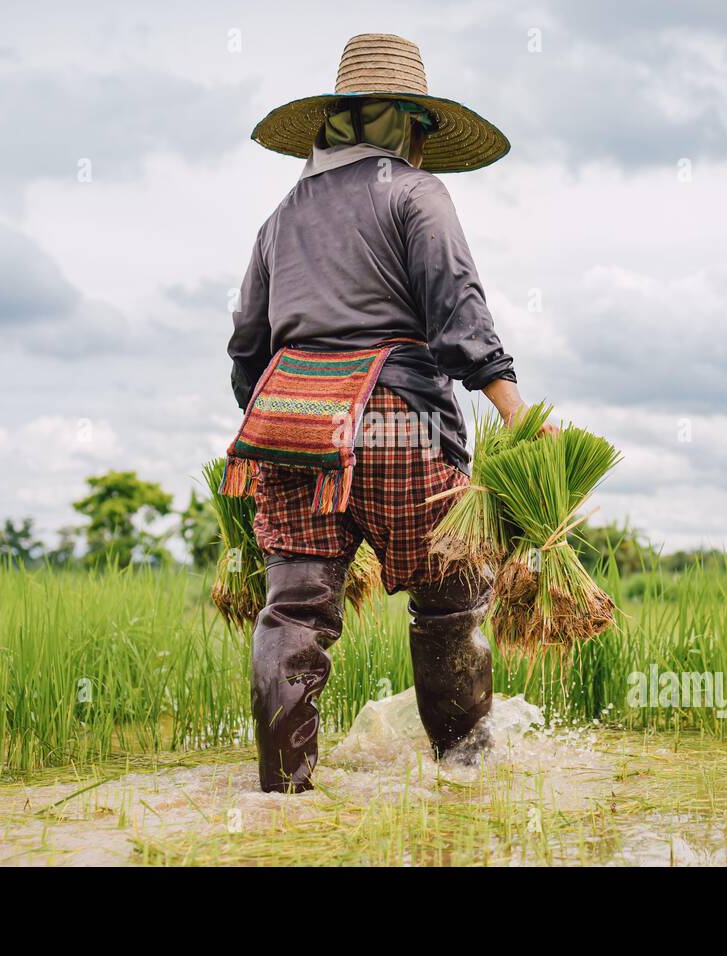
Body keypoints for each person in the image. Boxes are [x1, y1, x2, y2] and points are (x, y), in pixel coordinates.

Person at [229, 33, 550, 793]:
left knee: (294, 612)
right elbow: (457, 311)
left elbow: (247, 348)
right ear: (406, 123)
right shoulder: (415, 194)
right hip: (398, 422)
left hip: (289, 430)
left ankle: (284, 793)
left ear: (338, 122)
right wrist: (514, 408)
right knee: (450, 598)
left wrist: (281, 430)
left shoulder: (280, 217)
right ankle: (465, 778)